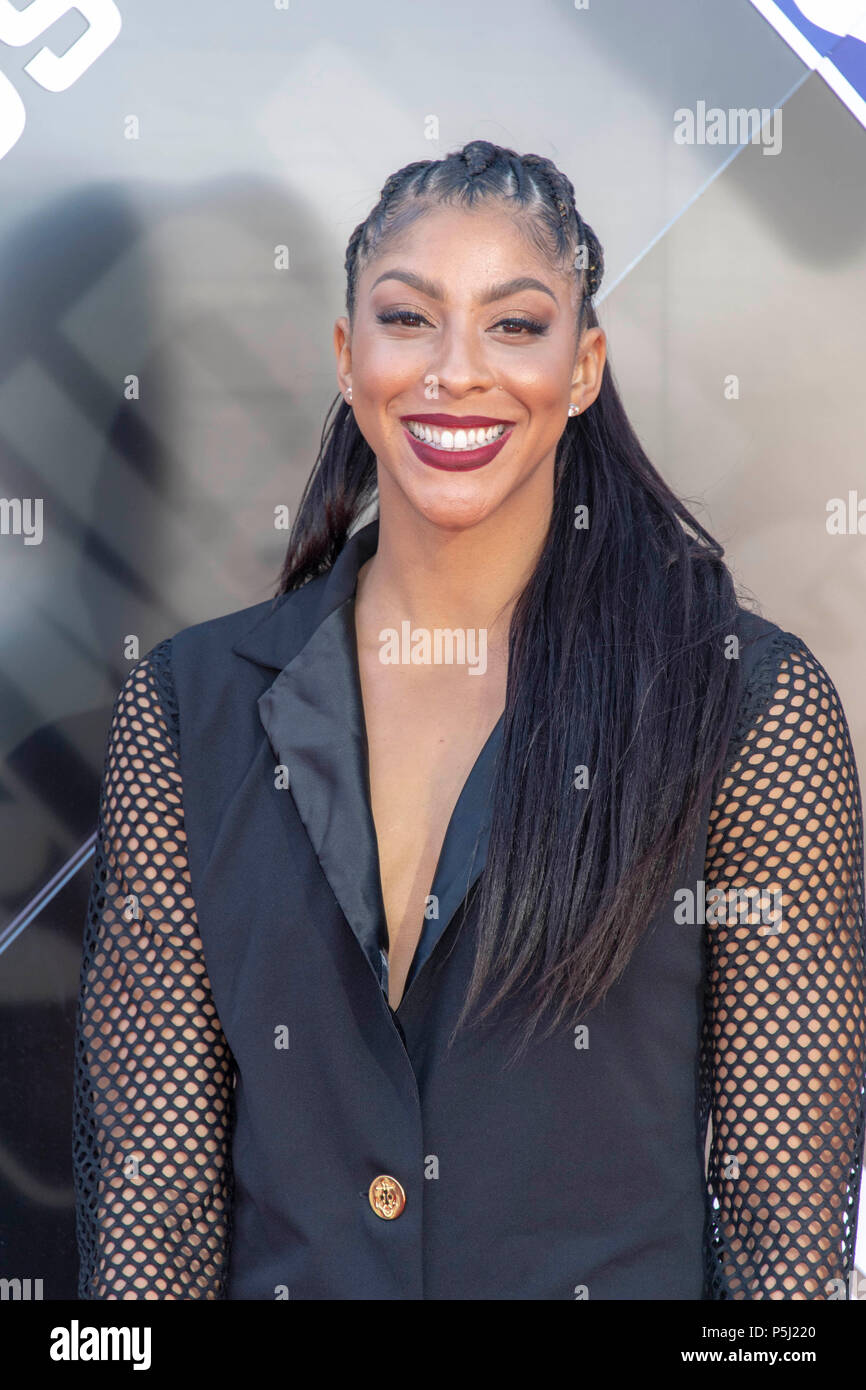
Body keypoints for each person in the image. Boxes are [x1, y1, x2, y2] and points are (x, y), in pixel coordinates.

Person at [72, 139, 866, 1300]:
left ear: (582, 366)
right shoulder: (191, 708)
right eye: (408, 320)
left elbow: (779, 1249)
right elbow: (154, 1211)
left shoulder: (742, 706)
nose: (455, 372)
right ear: (348, 359)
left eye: (512, 325)